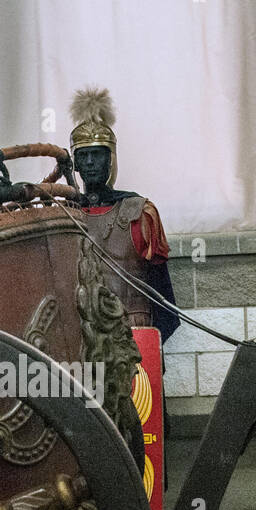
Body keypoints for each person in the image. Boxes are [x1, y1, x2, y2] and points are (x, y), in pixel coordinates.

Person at [69, 87, 178, 342]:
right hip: (82, 338)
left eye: (97, 154)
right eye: (83, 156)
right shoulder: (65, 215)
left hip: (133, 333)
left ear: (110, 158)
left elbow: (163, 296)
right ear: (74, 162)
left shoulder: (139, 213)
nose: (90, 163)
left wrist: (152, 344)